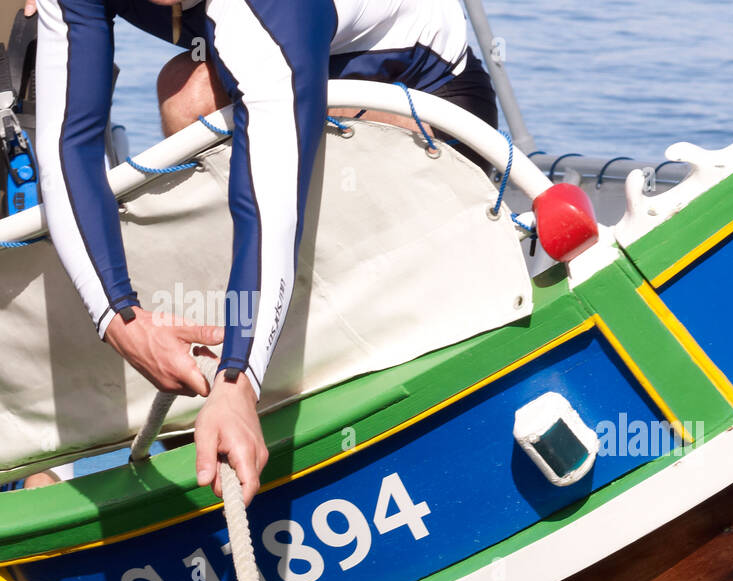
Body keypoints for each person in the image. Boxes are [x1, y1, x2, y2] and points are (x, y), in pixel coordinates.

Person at [31, 0, 496, 505]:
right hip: (290, 53)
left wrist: (238, 382)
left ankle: (266, 363)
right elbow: (65, 148)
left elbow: (268, 205)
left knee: (264, 174)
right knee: (183, 97)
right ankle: (232, 362)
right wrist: (120, 318)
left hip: (420, 88)